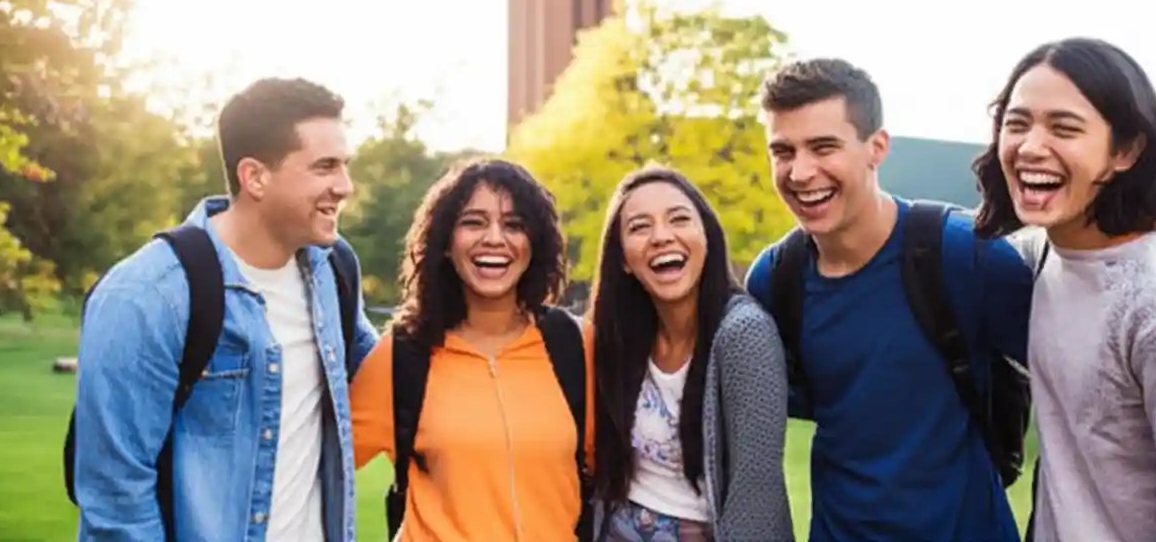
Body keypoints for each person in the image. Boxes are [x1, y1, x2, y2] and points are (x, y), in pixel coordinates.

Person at [71, 77, 378, 541]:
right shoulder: (146, 296)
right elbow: (116, 502)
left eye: (345, 166)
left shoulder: (333, 267)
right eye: (325, 167)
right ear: (254, 176)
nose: (346, 186)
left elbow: (389, 376)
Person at [743, 58, 1034, 541]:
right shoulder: (775, 281)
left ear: (876, 147)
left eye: (823, 147)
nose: (800, 171)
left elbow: (1081, 393)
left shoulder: (967, 254)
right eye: (782, 151)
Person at [972, 36, 1156, 542]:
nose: (1031, 147)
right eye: (1017, 124)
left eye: (1064, 128)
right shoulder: (1042, 253)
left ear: (1125, 150)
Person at [349, 157, 589, 541]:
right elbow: (319, 469)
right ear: (446, 243)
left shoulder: (574, 345)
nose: (494, 238)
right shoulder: (403, 355)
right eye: (473, 222)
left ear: (534, 244)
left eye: (514, 224)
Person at [590, 164, 793, 542]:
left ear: (707, 237)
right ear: (622, 259)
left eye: (679, 219)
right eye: (639, 227)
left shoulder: (744, 334)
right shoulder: (616, 336)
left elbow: (756, 494)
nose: (661, 237)